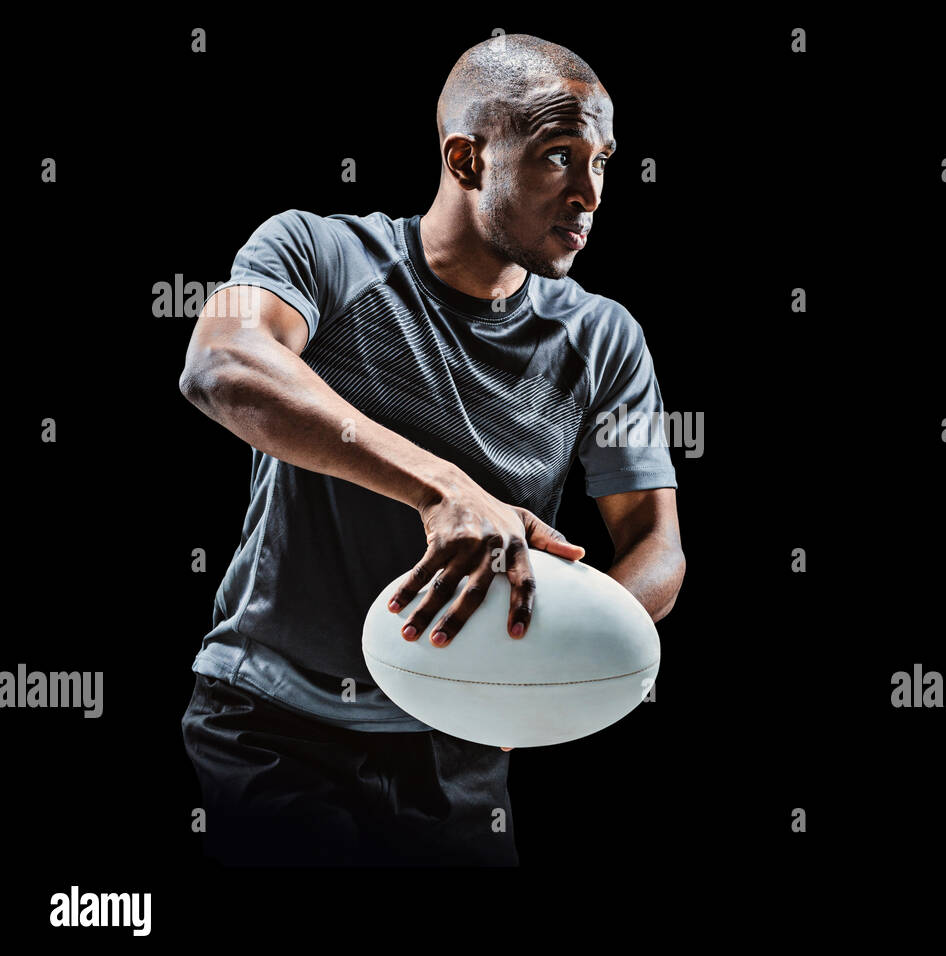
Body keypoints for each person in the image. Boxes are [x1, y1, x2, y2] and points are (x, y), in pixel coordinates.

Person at [177, 34, 685, 866]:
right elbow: (221, 361)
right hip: (271, 723)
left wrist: (548, 666)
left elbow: (658, 549)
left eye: (604, 162)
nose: (589, 193)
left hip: (459, 737)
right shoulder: (316, 251)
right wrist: (442, 489)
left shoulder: (607, 338)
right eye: (559, 156)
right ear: (467, 157)